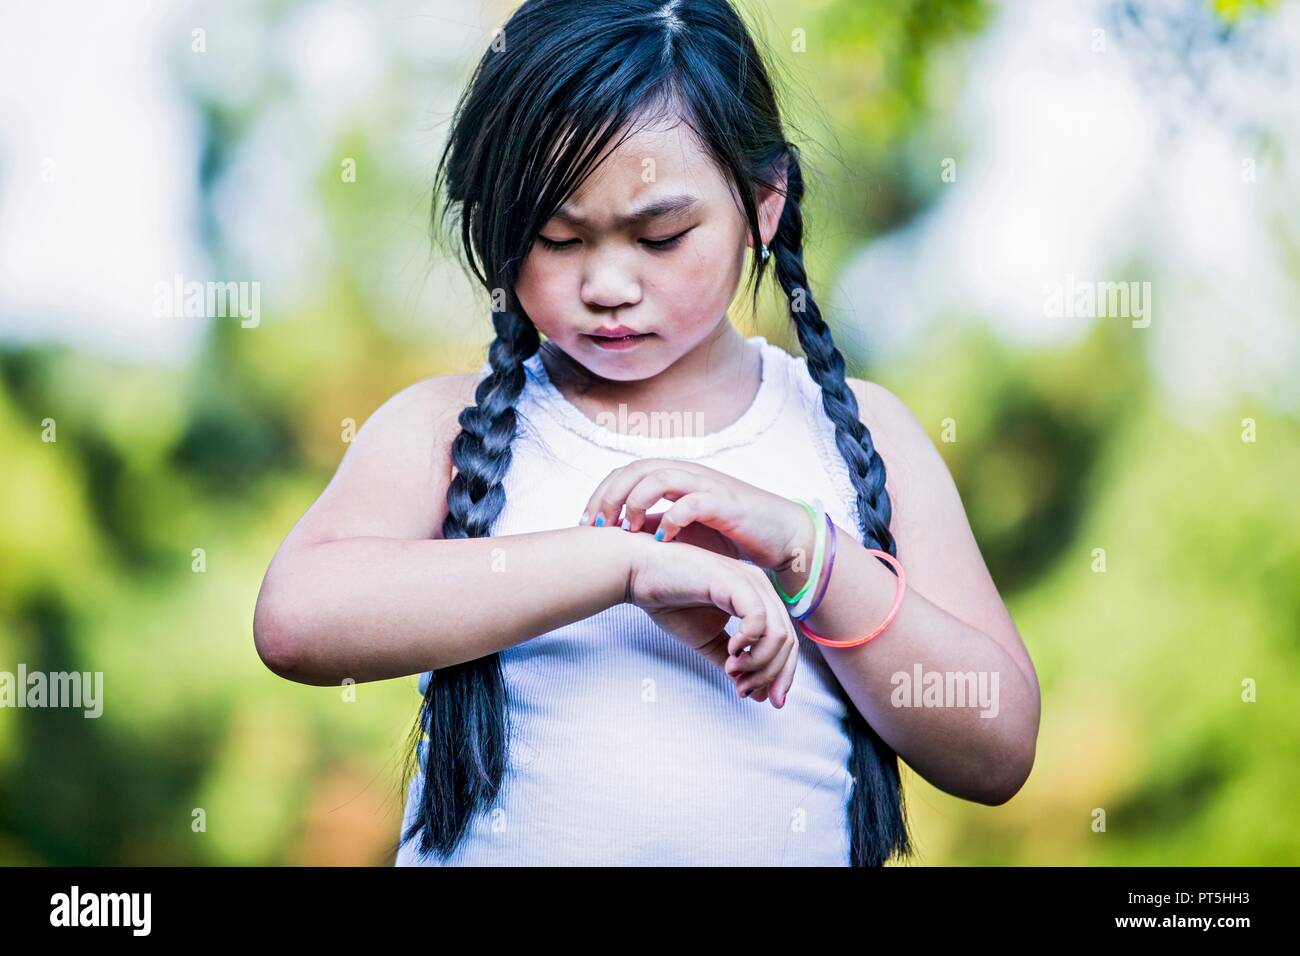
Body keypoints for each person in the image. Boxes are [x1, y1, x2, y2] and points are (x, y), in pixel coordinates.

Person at [252, 0, 1040, 867]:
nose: (608, 284)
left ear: (765, 204)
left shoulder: (858, 432)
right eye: (556, 237)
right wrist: (623, 567)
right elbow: (296, 622)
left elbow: (998, 747)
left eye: (660, 236)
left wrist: (810, 559)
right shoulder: (448, 426)